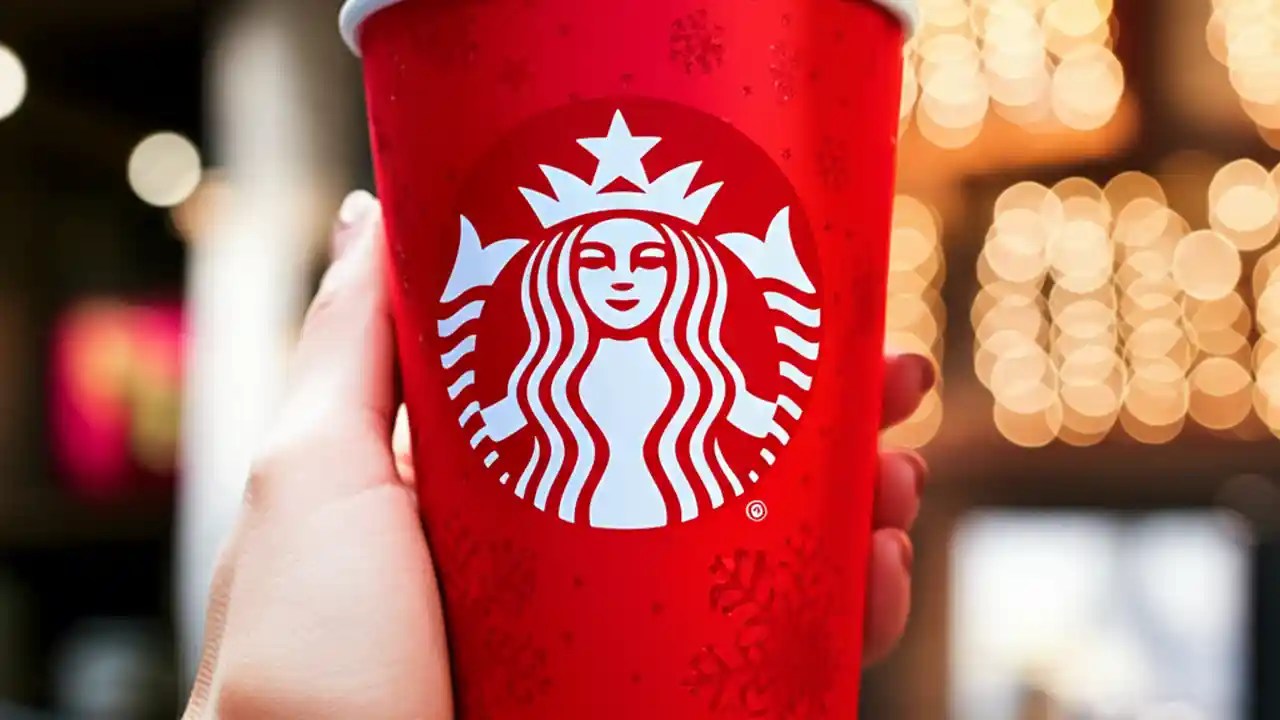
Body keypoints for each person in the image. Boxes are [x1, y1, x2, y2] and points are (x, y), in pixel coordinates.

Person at [182, 191, 934, 719]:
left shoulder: (719, 396)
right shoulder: (532, 398)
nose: (623, 278)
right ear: (561, 275)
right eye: (596, 259)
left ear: (685, 274)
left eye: (648, 259)